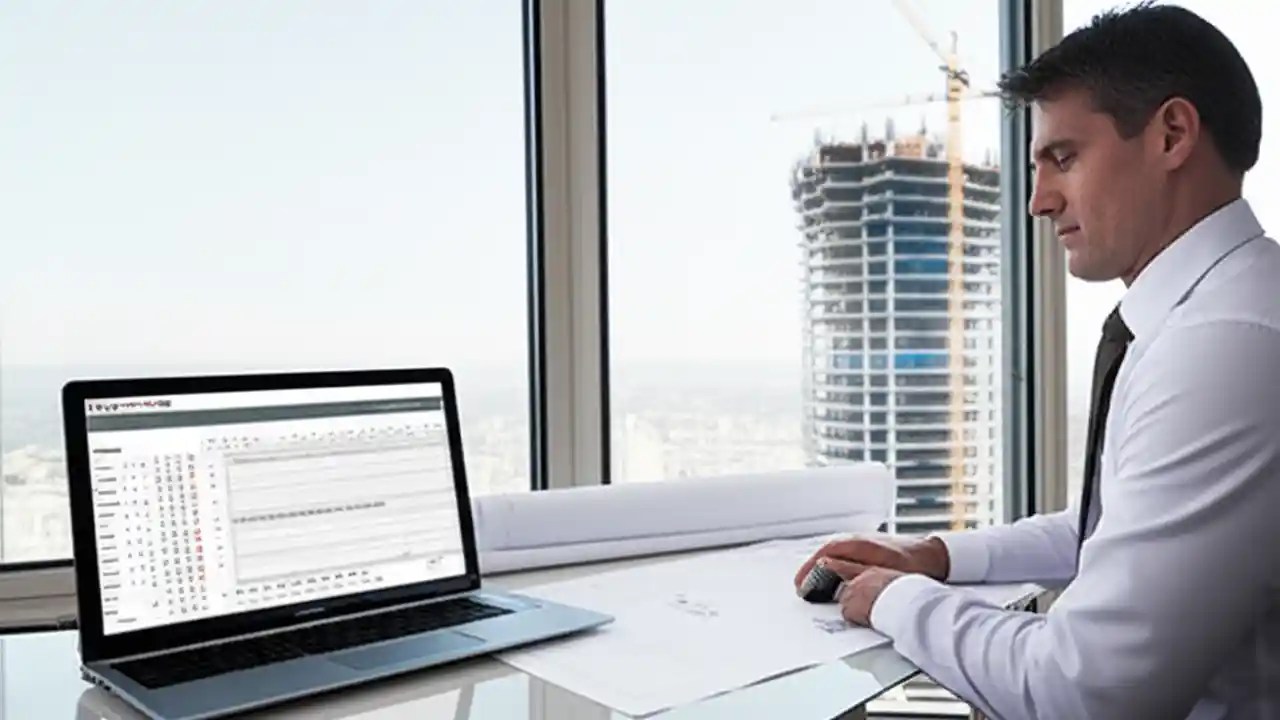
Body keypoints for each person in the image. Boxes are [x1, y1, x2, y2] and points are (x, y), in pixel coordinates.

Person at [794, 3, 1280, 718]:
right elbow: (1113, 526)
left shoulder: (1224, 344)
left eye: (1064, 158)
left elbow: (1088, 691)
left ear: (1172, 135)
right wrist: (935, 555)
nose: (1037, 202)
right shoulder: (1216, 312)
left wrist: (897, 601)